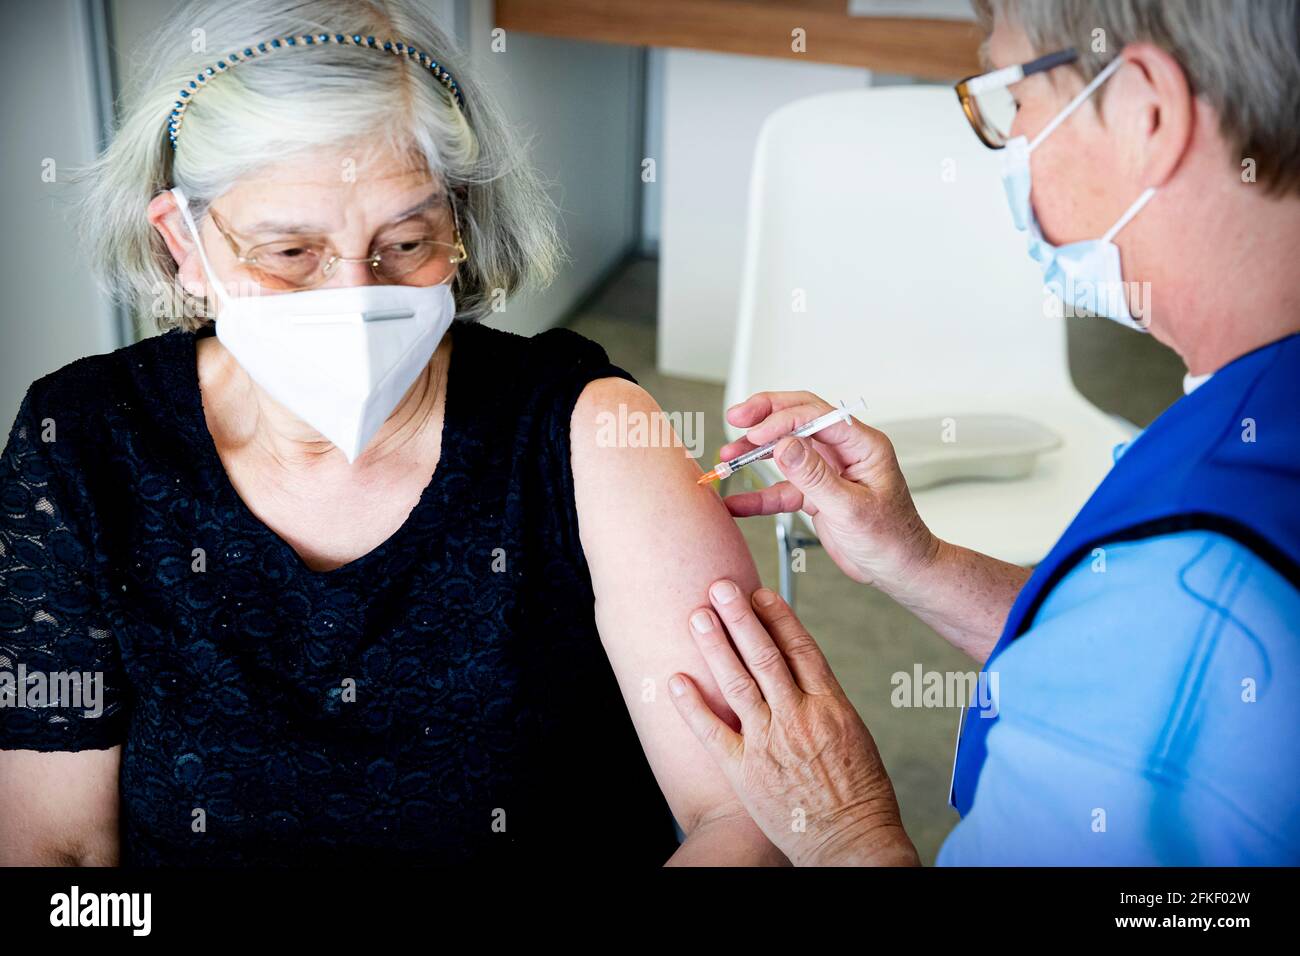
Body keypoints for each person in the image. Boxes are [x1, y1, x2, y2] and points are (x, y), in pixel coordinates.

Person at [0, 0, 786, 866]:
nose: (351, 294)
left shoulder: (586, 432)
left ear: (457, 222)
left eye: (406, 242)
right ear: (184, 243)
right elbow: (55, 847)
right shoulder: (77, 442)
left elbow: (749, 813)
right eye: (290, 254)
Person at [667, 0, 1300, 865]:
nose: (1008, 147)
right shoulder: (1240, 422)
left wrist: (848, 831)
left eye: (1013, 103)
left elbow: (1166, 650)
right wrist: (916, 563)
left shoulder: (1196, 597)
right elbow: (1118, 660)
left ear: (1147, 111)